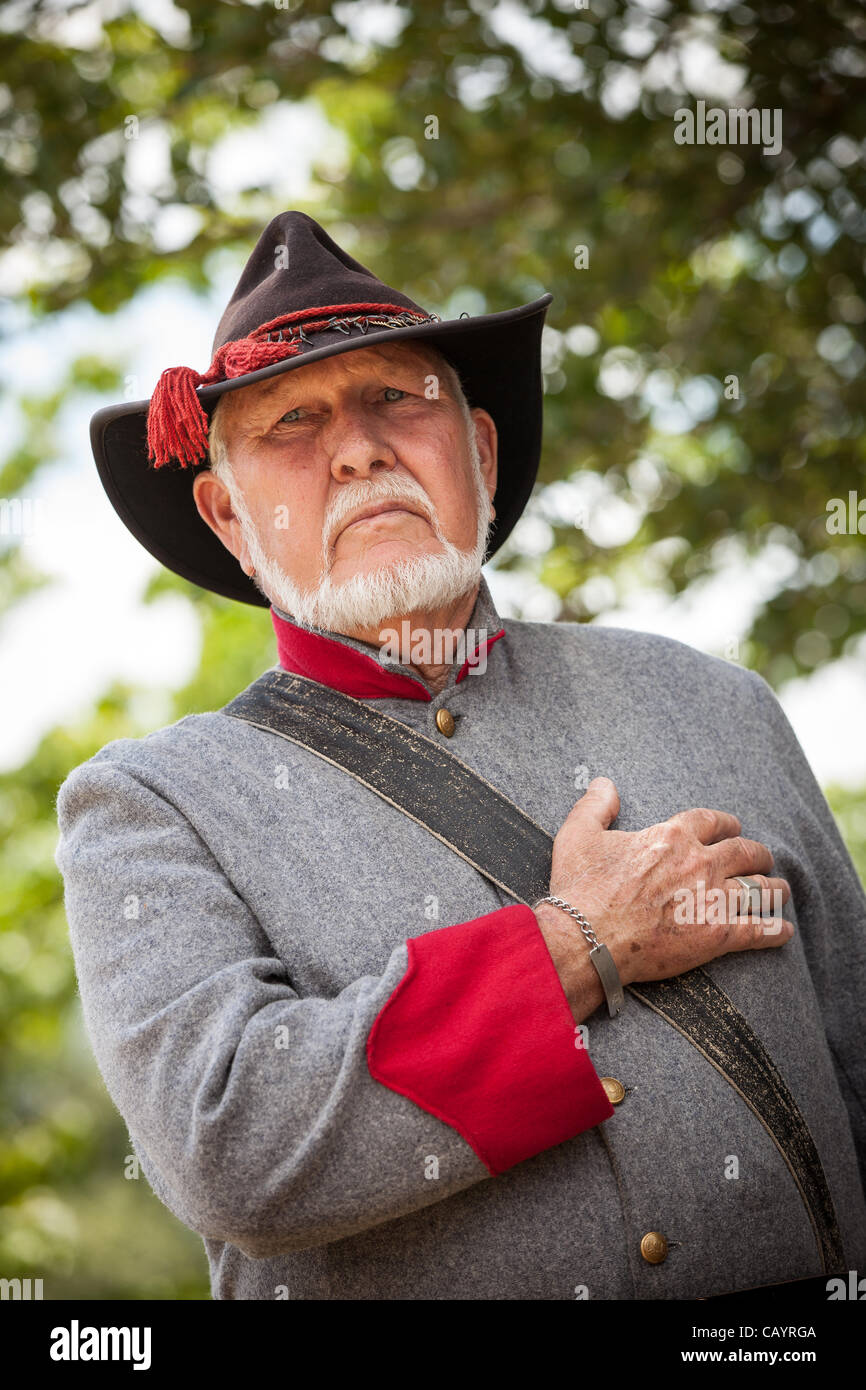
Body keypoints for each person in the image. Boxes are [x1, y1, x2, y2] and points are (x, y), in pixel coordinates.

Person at [56, 210, 866, 1300]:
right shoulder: (148, 804)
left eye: (397, 397)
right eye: (289, 422)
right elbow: (228, 1147)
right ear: (229, 518)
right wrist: (577, 945)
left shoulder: (717, 700)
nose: (355, 446)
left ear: (477, 453)